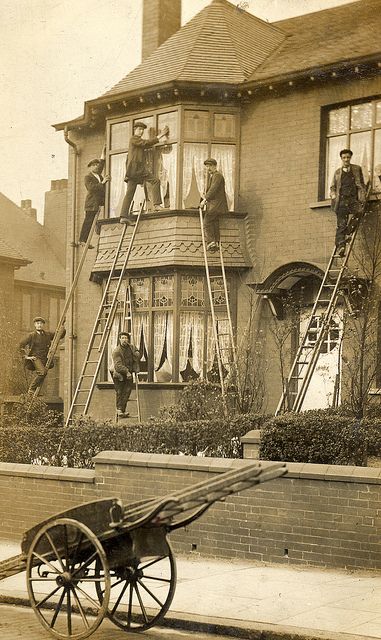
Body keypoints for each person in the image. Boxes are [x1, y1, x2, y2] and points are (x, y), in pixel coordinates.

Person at [120, 122, 169, 223]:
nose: (141, 131)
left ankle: (123, 216)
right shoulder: (134, 139)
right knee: (155, 181)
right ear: (135, 130)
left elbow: (145, 145)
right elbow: (146, 143)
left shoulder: (137, 141)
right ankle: (156, 205)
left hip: (134, 171)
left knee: (129, 194)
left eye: (142, 130)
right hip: (136, 169)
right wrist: (161, 135)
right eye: (139, 129)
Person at [330, 149, 366, 257]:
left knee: (360, 211)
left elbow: (361, 184)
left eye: (348, 157)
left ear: (350, 158)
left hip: (353, 200)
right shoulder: (337, 172)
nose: (346, 159)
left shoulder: (356, 169)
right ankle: (341, 247)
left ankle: (348, 230)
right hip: (341, 201)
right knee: (341, 224)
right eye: (344, 157)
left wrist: (362, 196)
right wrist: (333, 195)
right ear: (341, 159)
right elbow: (332, 187)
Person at [19, 317, 66, 393]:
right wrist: (26, 356)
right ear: (35, 325)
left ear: (43, 325)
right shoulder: (31, 335)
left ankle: (37, 391)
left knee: (44, 373)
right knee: (42, 372)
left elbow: (59, 335)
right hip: (35, 358)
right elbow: (21, 345)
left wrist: (63, 325)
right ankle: (31, 389)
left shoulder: (47, 334)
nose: (39, 325)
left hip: (45, 358)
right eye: (37, 323)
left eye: (41, 323)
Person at [78, 158, 110, 244]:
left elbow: (102, 165)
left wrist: (103, 158)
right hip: (91, 203)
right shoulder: (88, 177)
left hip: (98, 201)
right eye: (94, 165)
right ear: (90, 167)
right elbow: (91, 188)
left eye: (97, 165)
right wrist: (102, 183)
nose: (96, 166)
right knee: (88, 221)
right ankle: (82, 240)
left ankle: (85, 239)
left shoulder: (99, 176)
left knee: (91, 220)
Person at [200, 158, 229, 251]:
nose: (208, 169)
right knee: (215, 222)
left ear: (214, 166)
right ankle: (216, 242)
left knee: (207, 221)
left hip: (216, 205)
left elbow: (213, 189)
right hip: (217, 205)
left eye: (209, 166)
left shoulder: (217, 176)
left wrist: (205, 200)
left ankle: (211, 242)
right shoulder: (214, 176)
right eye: (207, 166)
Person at [110, 332, 141, 418]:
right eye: (122, 338)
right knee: (120, 392)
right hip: (119, 374)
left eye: (126, 338)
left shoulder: (131, 347)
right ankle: (119, 409)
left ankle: (122, 411)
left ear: (128, 339)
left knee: (127, 391)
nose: (124, 340)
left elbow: (138, 352)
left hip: (129, 374)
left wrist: (137, 354)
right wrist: (127, 372)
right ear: (119, 339)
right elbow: (118, 365)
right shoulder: (116, 351)